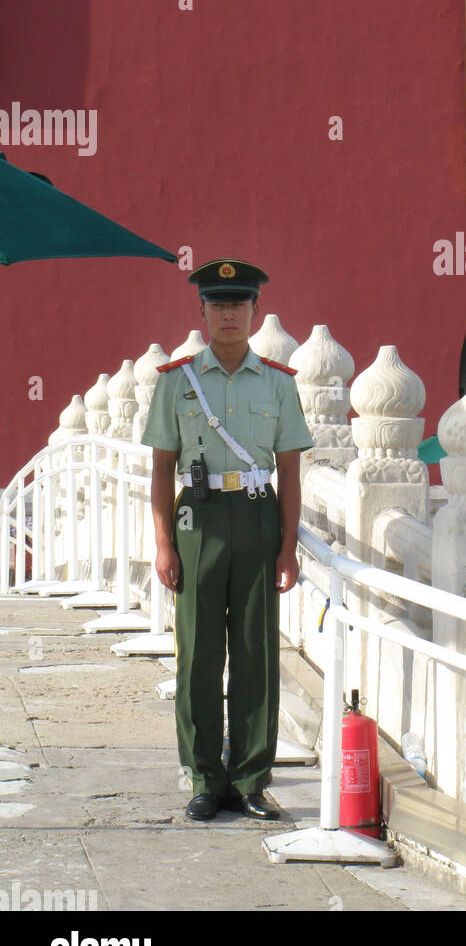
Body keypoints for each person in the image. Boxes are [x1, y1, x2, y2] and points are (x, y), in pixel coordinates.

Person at [143, 259, 313, 821]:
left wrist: (288, 546)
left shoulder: (279, 384)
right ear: (203, 312)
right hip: (198, 518)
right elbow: (162, 468)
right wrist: (165, 543)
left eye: (239, 304)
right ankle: (203, 777)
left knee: (255, 651)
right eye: (218, 304)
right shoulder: (176, 381)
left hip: (258, 515)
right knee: (197, 652)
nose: (229, 314)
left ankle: (249, 778)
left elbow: (289, 470)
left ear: (255, 311)